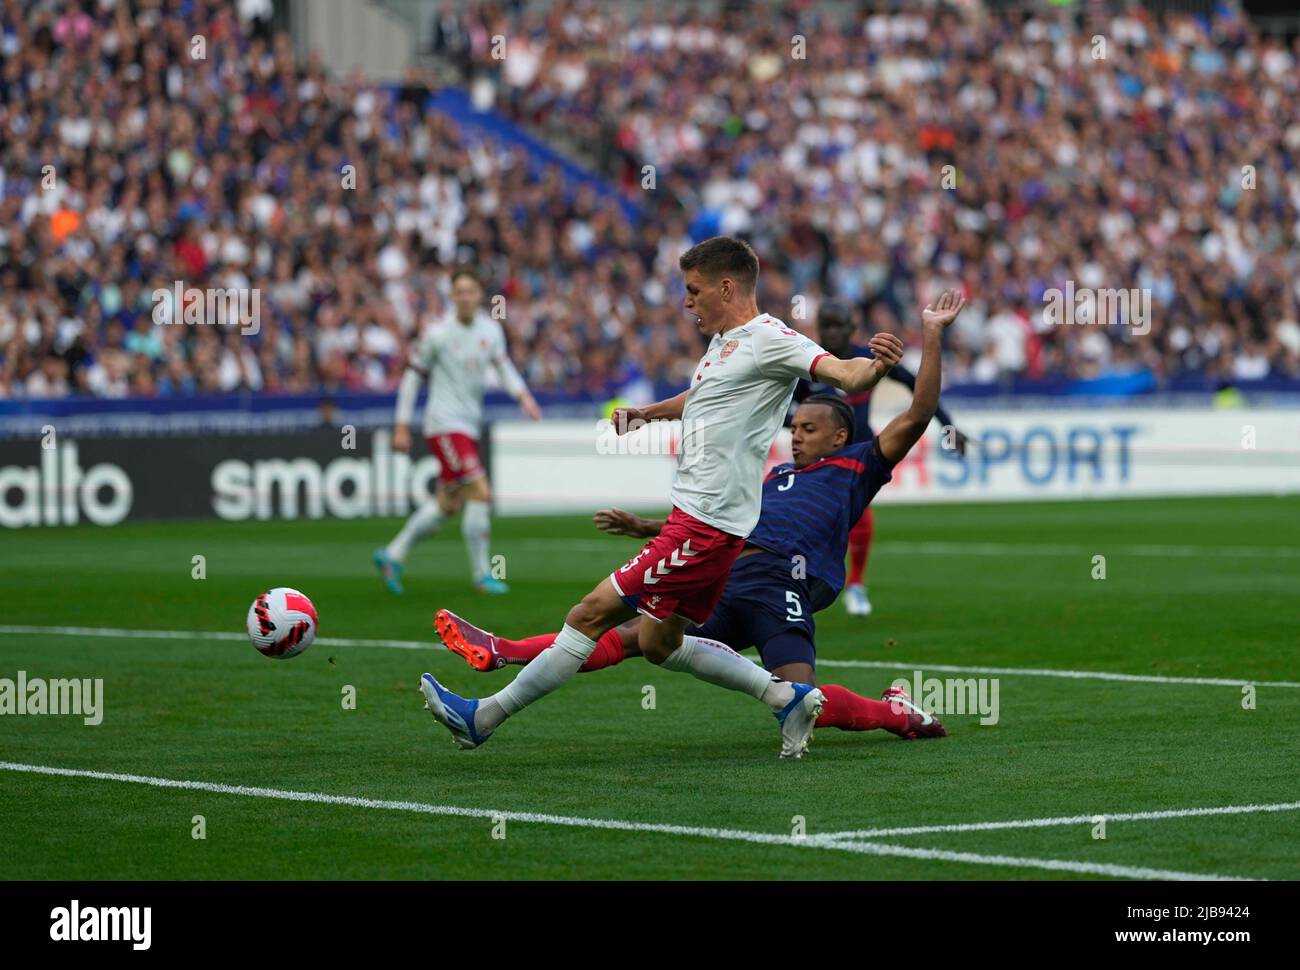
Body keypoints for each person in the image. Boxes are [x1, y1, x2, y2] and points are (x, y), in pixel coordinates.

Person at [418, 236, 909, 758]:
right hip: (706, 521)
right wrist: (646, 414)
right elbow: (700, 398)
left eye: (694, 291)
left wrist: (875, 366)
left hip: (704, 525)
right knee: (659, 643)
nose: (687, 302)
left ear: (727, 286)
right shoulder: (723, 343)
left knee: (589, 614)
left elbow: (840, 369)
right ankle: (786, 699)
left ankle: (483, 718)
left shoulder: (772, 339)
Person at [434, 390, 953, 740]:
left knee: (803, 699)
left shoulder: (858, 465)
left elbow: (919, 412)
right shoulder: (772, 479)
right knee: (637, 635)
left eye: (809, 428)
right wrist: (647, 528)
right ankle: (502, 650)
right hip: (730, 579)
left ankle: (895, 712)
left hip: (782, 586)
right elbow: (721, 524)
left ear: (839, 437)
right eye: (794, 427)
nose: (796, 436)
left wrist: (931, 332)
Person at [374, 268, 541, 594]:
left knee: (448, 504)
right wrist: (401, 425)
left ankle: (392, 555)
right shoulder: (437, 334)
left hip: (468, 425)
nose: (465, 297)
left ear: (479, 296)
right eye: (459, 291)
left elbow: (503, 367)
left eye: (471, 291)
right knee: (480, 492)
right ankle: (482, 575)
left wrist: (524, 397)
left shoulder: (491, 331)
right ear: (452, 296)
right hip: (444, 425)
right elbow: (411, 378)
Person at [799, 298, 968, 616]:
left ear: (852, 329)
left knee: (859, 517)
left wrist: (949, 427)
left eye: (839, 326)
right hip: (816, 460)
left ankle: (857, 585)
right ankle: (805, 583)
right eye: (827, 326)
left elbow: (918, 388)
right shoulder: (806, 362)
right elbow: (783, 408)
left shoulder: (870, 356)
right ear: (819, 329)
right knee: (814, 521)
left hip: (859, 454)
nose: (832, 333)